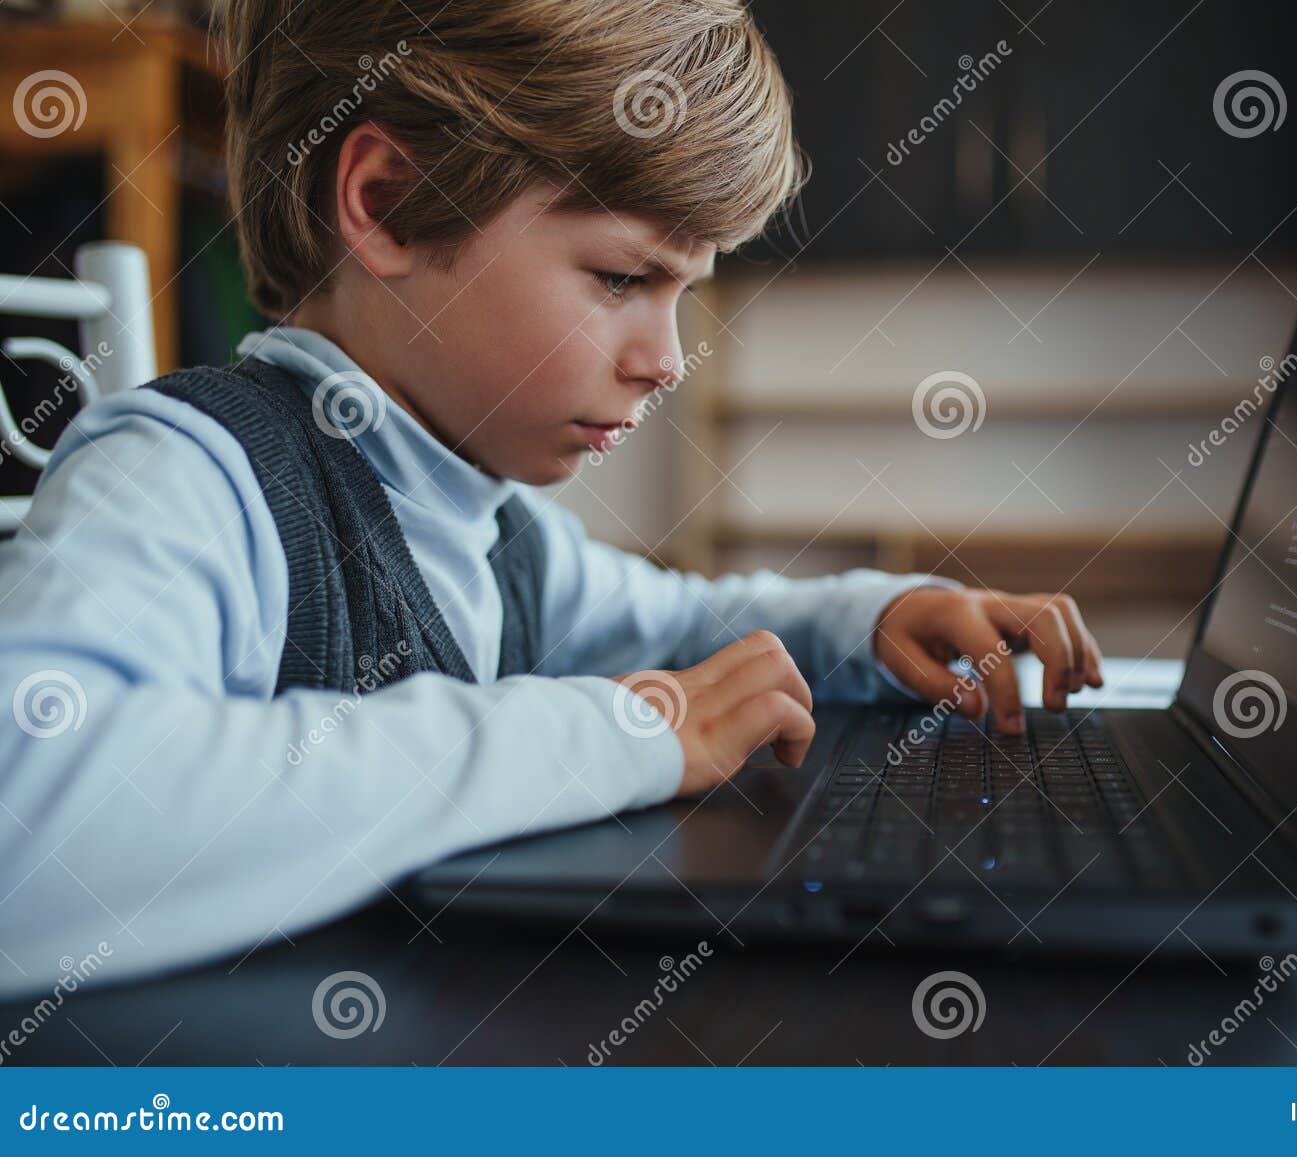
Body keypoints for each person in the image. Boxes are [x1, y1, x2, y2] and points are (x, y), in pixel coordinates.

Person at [0, 0, 1101, 998]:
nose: (665, 361)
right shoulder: (193, 473)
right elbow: (32, 818)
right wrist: (612, 728)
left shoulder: (496, 530)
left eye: (684, 291)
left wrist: (869, 619)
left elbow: (682, 626)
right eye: (622, 278)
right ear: (388, 204)